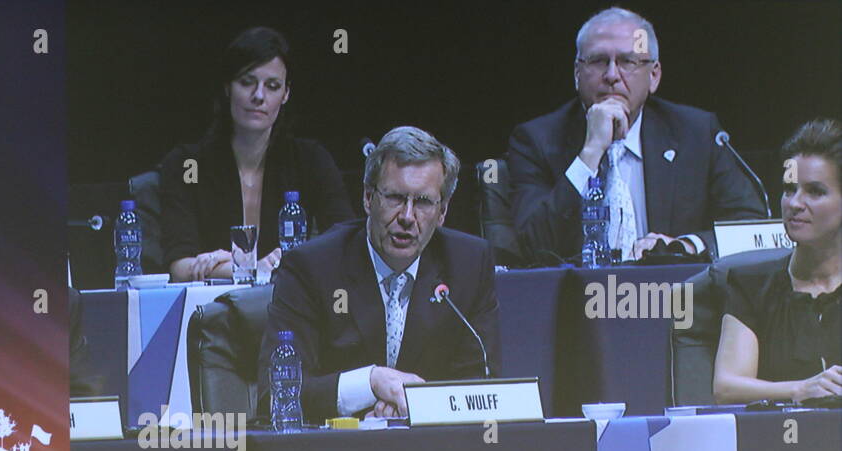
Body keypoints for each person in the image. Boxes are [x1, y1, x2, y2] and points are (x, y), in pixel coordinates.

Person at [259, 125, 501, 420]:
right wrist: (371, 383)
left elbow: (481, 385)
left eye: (423, 202)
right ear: (368, 198)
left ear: (443, 212)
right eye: (395, 198)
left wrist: (413, 407)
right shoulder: (312, 268)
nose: (407, 217)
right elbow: (275, 395)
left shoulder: (469, 265)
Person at [508, 7, 763, 263]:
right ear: (577, 74)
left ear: (653, 76)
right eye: (598, 61)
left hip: (676, 295)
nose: (611, 76)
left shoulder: (696, 133)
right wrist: (590, 153)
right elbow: (533, 245)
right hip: (579, 297)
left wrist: (685, 245)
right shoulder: (536, 140)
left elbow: (750, 224)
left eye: (627, 62)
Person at [159, 27, 354, 282]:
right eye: (247, 82)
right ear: (228, 87)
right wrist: (253, 269)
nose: (259, 96)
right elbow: (180, 265)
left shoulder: (311, 160)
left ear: (286, 94)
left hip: (292, 307)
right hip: (211, 310)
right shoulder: (186, 164)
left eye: (272, 86)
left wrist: (295, 260)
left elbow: (346, 244)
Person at [714, 119, 842, 402]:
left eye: (815, 191)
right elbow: (726, 387)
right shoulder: (751, 287)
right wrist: (799, 390)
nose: (795, 203)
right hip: (779, 441)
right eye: (789, 189)